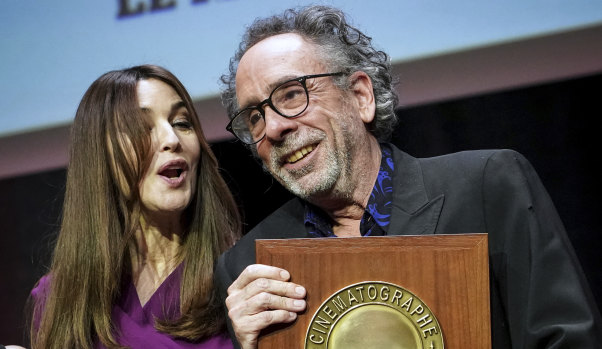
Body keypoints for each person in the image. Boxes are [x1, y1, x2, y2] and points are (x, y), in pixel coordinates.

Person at [214, 5, 602, 349]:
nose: (275, 126)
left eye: (291, 94)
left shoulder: (487, 186)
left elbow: (568, 339)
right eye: (254, 117)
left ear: (360, 96)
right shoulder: (249, 266)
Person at [28, 65, 241, 349]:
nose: (171, 140)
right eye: (142, 127)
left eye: (181, 123)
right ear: (101, 156)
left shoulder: (242, 278)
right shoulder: (57, 299)